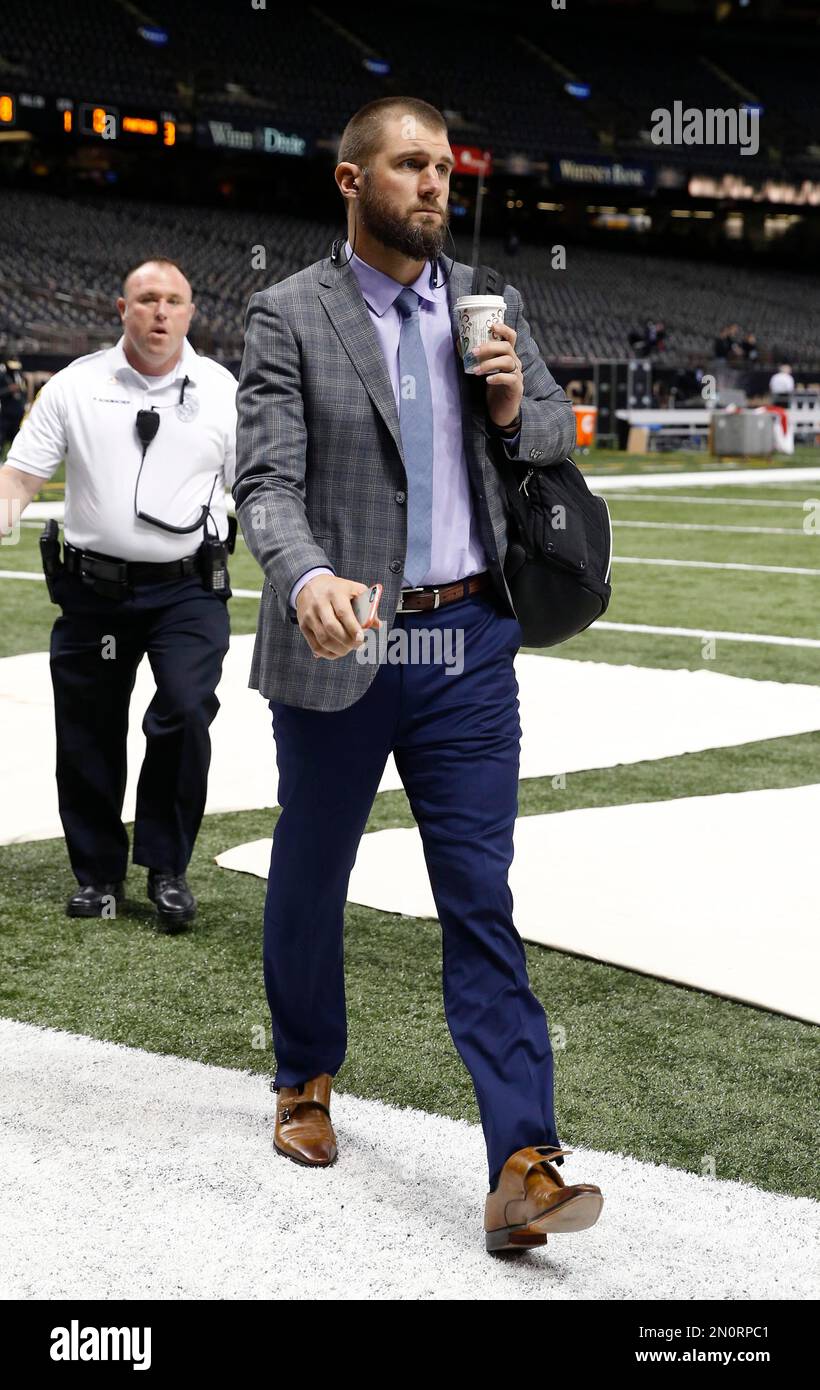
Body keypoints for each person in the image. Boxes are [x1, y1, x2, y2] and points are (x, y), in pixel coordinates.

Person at [234, 95, 604, 1252]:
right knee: (311, 870)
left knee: (479, 894)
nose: (434, 183)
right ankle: (303, 1075)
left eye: (442, 166)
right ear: (352, 182)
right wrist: (304, 582)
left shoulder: (493, 306)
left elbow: (550, 430)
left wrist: (508, 404)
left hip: (466, 644)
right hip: (346, 637)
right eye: (409, 165)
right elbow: (265, 483)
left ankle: (522, 1160)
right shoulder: (285, 313)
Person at [0, 259, 237, 927]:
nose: (160, 311)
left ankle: (167, 868)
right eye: (146, 299)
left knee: (185, 711)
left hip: (187, 590)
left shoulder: (221, 390)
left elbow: (258, 485)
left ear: (191, 313)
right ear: (122, 309)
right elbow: (20, 477)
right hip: (93, 593)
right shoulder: (75, 387)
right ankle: (98, 875)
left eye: (174, 300)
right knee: (87, 731)